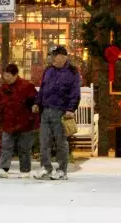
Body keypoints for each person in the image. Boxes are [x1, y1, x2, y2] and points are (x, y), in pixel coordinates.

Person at [32, 45, 81, 180]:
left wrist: (71, 109)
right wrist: (37, 103)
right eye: (52, 55)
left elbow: (75, 93)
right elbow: (43, 89)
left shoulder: (73, 72)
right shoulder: (48, 70)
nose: (52, 58)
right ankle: (45, 168)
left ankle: (61, 170)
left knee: (61, 142)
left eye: (55, 55)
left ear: (64, 57)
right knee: (44, 141)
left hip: (61, 112)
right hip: (46, 110)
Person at [0, 63, 38, 179]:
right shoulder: (3, 88)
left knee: (24, 148)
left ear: (16, 75)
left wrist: (33, 116)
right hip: (8, 122)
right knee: (6, 146)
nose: (6, 78)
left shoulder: (27, 86)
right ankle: (3, 168)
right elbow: (0, 106)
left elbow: (36, 103)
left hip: (25, 122)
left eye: (8, 76)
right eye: (4, 76)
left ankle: (25, 171)